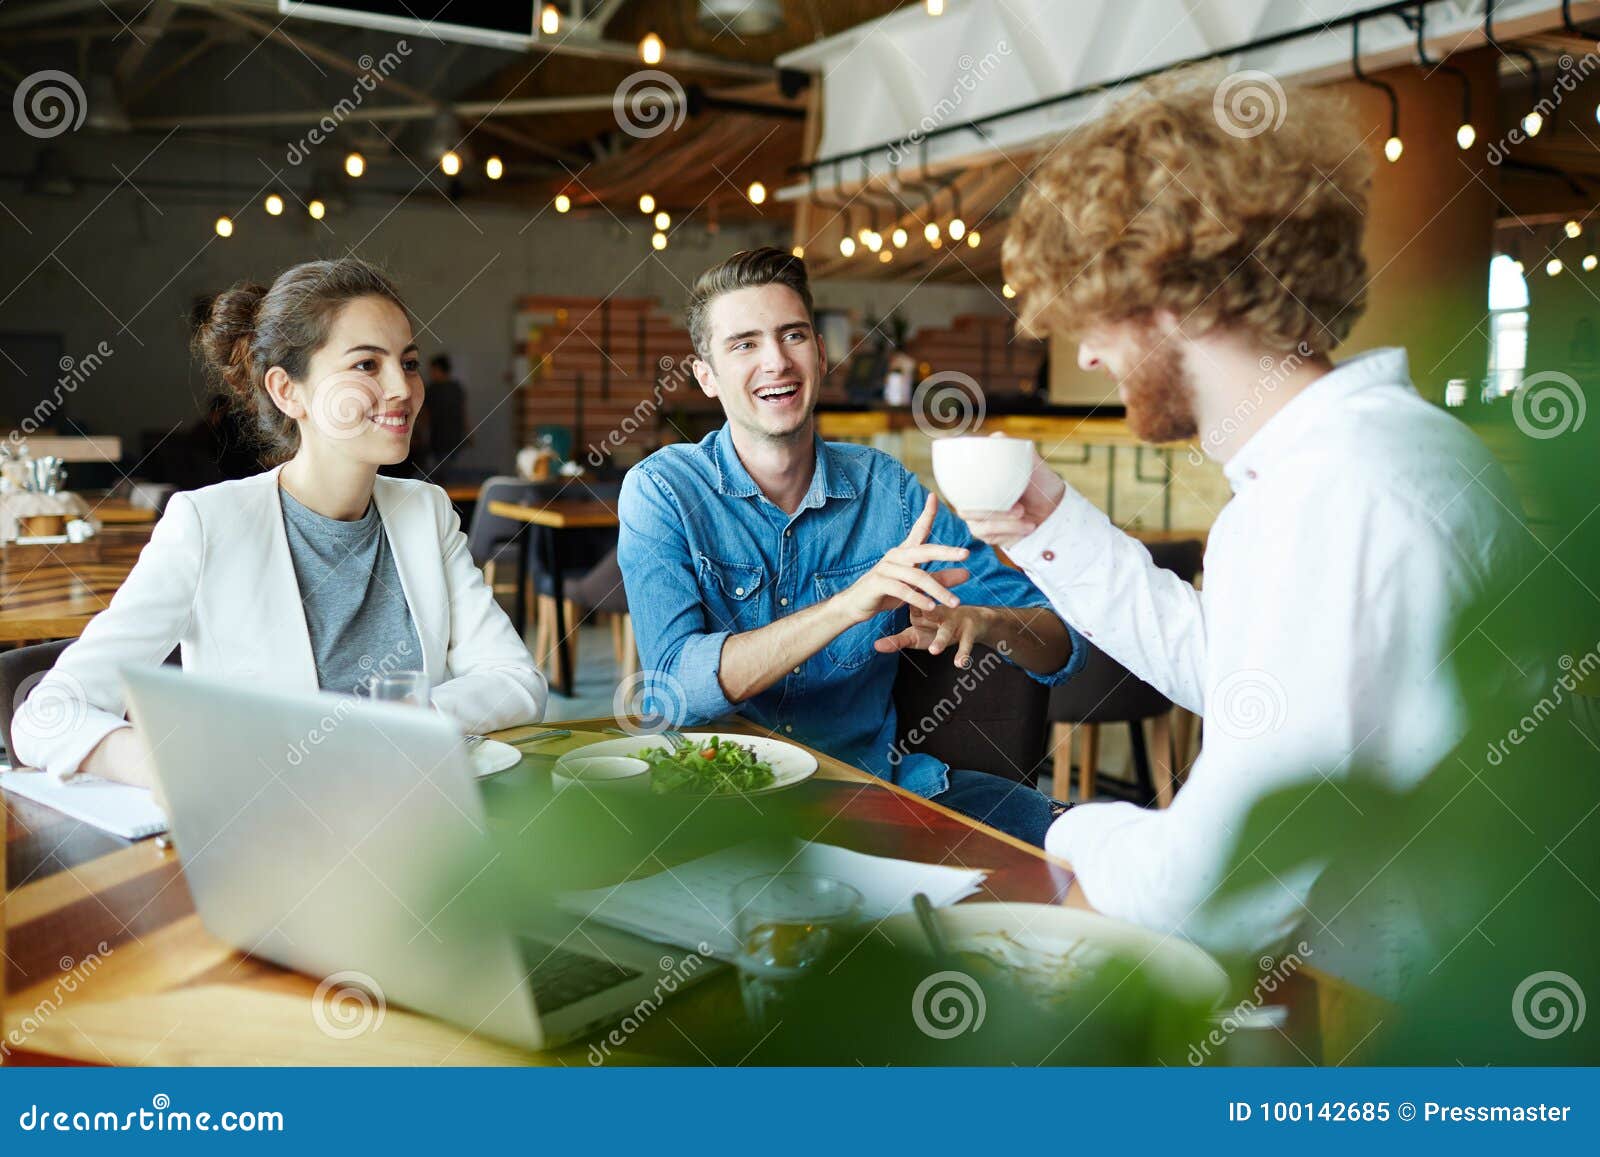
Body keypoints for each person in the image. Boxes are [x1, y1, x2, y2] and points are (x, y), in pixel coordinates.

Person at [954, 71, 1528, 994]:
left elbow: (1223, 883)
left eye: (1096, 315)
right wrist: (1048, 526)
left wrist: (1067, 826)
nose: (1089, 354)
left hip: (1392, 1018)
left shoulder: (1334, 495)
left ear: (1177, 294)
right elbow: (1241, 679)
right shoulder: (1373, 453)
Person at [13, 257, 546, 786]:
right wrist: (168, 764)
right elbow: (45, 717)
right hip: (271, 841)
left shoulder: (424, 512)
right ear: (287, 391)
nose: (403, 389)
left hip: (411, 821)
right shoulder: (206, 524)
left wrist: (393, 721)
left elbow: (518, 681)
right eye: (366, 365)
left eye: (408, 362)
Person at [617, 247, 1085, 846]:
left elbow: (1062, 642)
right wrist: (848, 605)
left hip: (870, 795)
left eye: (793, 336)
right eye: (744, 344)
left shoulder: (888, 492)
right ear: (706, 376)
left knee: (1074, 841)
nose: (776, 361)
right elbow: (674, 686)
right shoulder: (663, 490)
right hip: (715, 804)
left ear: (821, 353)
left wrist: (985, 619)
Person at [424, 354, 468, 474]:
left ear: (440, 369)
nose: (431, 373)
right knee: (442, 469)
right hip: (439, 435)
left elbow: (462, 411)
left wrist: (468, 431)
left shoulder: (452, 388)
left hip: (451, 435)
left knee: (449, 470)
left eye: (433, 370)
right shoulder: (433, 389)